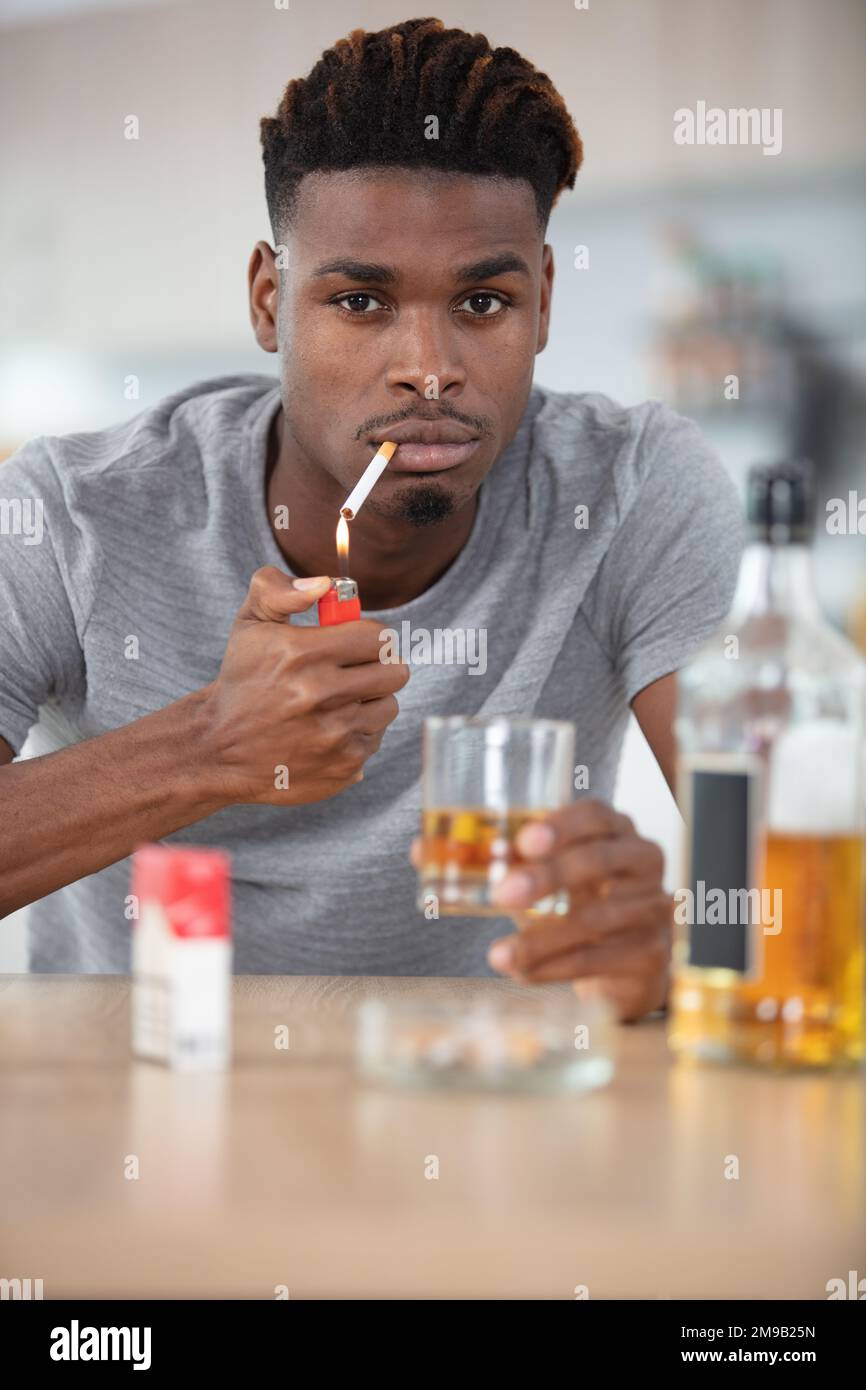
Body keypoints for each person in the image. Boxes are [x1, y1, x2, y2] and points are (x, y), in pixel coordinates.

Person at [0, 18, 743, 1019]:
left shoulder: (630, 490)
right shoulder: (69, 511)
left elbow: (768, 860)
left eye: (482, 302)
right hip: (132, 1110)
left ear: (544, 303)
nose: (428, 368)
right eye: (359, 302)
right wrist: (211, 744)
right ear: (270, 301)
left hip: (491, 1114)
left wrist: (691, 949)